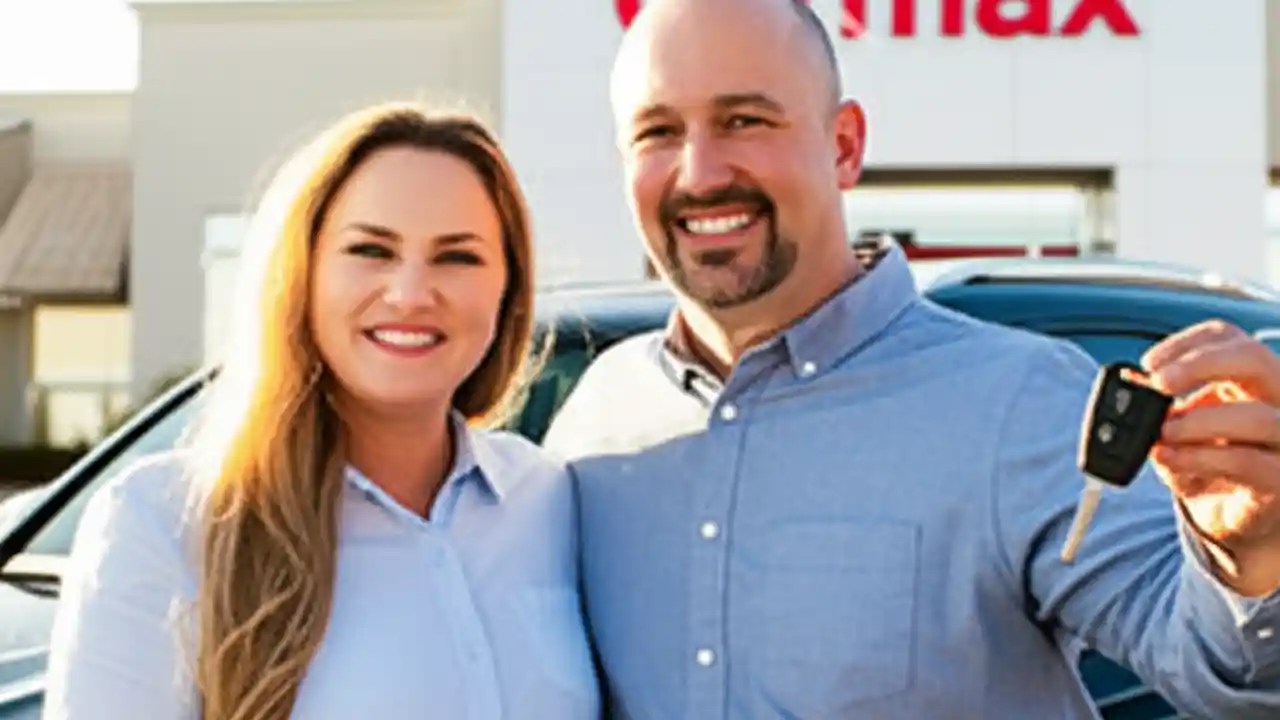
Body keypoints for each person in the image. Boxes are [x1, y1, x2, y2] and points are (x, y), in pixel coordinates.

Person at [542, 0, 1280, 717]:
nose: (700, 173)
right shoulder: (595, 420)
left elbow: (1223, 678)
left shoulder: (1019, 400)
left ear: (844, 146)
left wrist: (1249, 553)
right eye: (658, 132)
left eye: (745, 120)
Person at [44, 103, 601, 720]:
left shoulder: (549, 499)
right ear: (302, 274)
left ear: (509, 288)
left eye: (458, 256)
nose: (411, 294)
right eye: (370, 249)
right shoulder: (164, 523)